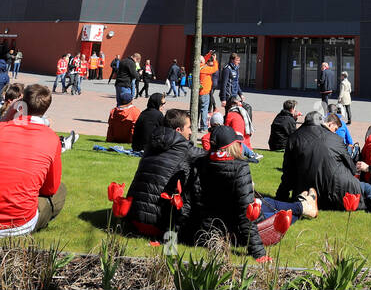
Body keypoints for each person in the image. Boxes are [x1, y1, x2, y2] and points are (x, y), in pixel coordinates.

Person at [188, 125, 315, 261]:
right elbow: (246, 213)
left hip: (213, 226)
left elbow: (196, 202)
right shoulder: (239, 167)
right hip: (238, 230)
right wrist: (259, 253)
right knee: (282, 217)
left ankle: (304, 204)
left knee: (265, 201)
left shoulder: (200, 163)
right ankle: (303, 207)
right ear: (233, 145)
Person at [0, 84, 65, 237]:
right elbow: (50, 189)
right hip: (20, 224)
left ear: (21, 103)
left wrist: (5, 117)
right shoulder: (52, 138)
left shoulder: (0, 128)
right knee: (60, 190)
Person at [276, 111, 371, 213]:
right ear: (325, 123)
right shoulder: (335, 138)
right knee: (365, 187)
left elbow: (287, 171)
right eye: (335, 128)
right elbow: (352, 168)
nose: (335, 131)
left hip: (307, 193)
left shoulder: (293, 138)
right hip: (338, 191)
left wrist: (281, 196)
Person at [125, 107, 200, 239]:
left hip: (133, 219)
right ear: (178, 130)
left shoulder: (151, 143)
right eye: (189, 127)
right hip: (159, 226)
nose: (191, 132)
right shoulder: (184, 148)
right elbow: (212, 158)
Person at [224, 93, 259, 162]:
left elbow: (226, 131)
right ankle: (252, 155)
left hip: (237, 146)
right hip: (246, 145)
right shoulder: (244, 113)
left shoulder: (231, 115)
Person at [197, 52, 218, 130]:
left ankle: (195, 125)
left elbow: (203, 60)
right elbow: (214, 69)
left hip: (199, 92)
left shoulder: (199, 67)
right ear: (202, 62)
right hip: (205, 92)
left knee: (198, 110)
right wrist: (215, 60)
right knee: (204, 109)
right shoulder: (205, 69)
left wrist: (209, 54)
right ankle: (204, 127)